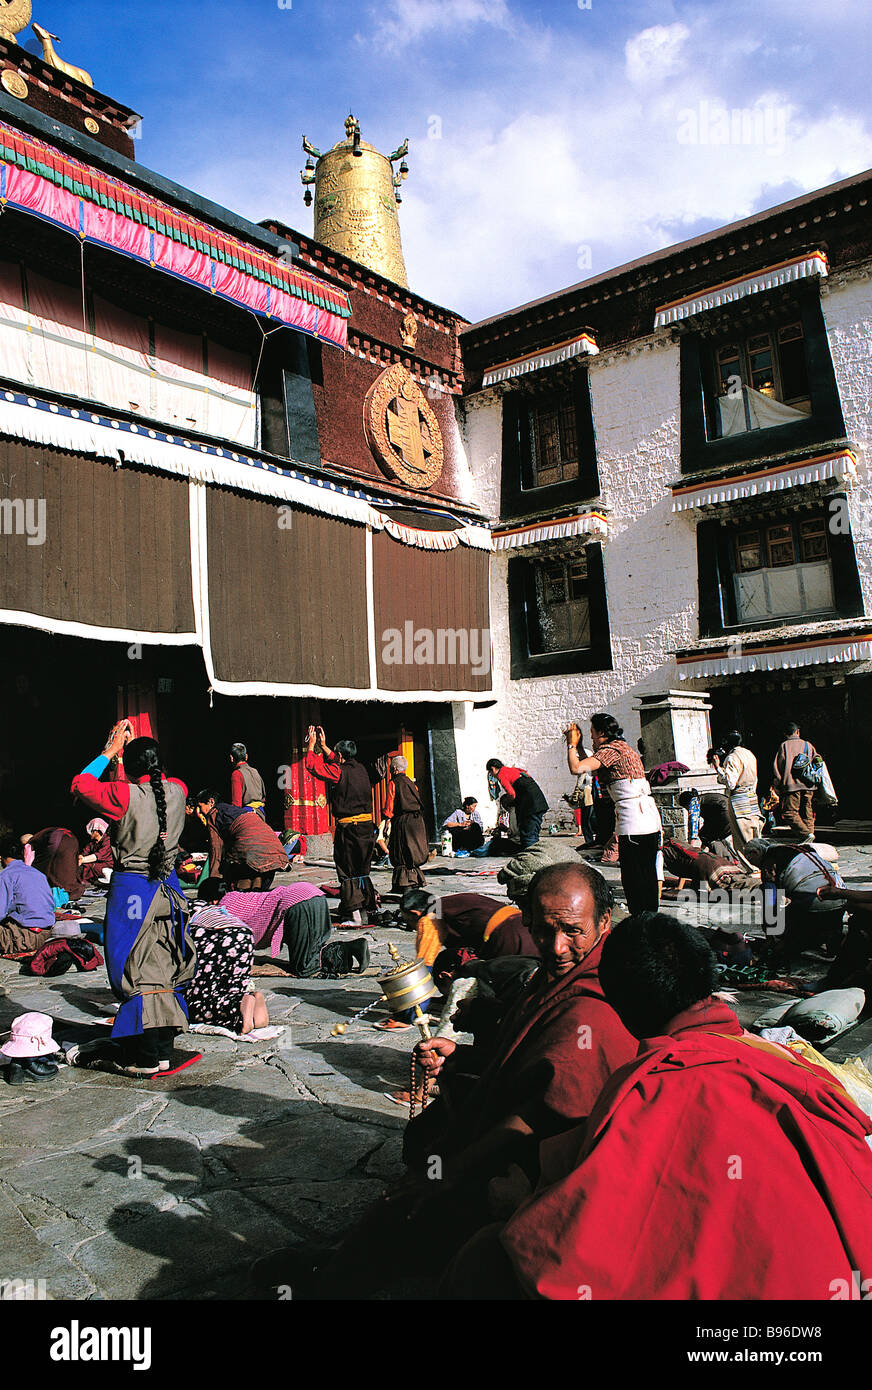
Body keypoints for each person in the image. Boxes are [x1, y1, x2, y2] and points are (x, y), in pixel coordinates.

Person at [249, 862, 637, 1299]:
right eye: (544, 931)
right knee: (425, 1150)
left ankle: (340, 1273)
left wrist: (457, 1169)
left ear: (604, 921)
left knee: (418, 1197)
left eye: (572, 930)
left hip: (543, 1160)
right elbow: (523, 1058)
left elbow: (547, 1110)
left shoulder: (595, 1001)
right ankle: (352, 1254)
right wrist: (460, 1057)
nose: (556, 946)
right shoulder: (554, 974)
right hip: (510, 1122)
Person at [445, 913, 872, 1300]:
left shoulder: (661, 1082)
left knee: (488, 1255)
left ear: (622, 1005)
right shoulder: (783, 1059)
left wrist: (524, 1204)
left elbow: (575, 1243)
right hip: (843, 1275)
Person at [71, 721, 196, 1076]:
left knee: (134, 969)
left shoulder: (123, 795)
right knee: (162, 964)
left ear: (131, 767)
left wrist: (111, 749)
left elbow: (80, 784)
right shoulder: (180, 791)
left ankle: (143, 1055)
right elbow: (158, 786)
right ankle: (162, 1050)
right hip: (168, 888)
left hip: (133, 892)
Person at [565, 714, 662, 914]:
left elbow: (577, 768)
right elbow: (591, 762)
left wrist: (571, 745)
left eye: (592, 733)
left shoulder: (612, 750)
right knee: (647, 873)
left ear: (601, 733)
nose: (591, 738)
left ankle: (642, 920)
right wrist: (580, 744)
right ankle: (649, 918)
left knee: (634, 876)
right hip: (645, 817)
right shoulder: (620, 748)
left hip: (634, 819)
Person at [304, 725, 381, 923]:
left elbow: (314, 767)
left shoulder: (339, 772)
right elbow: (336, 761)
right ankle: (366, 908)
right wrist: (325, 746)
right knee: (362, 869)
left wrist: (312, 747)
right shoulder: (361, 768)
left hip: (350, 829)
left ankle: (355, 914)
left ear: (340, 755)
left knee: (347, 869)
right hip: (366, 828)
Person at [218, 883, 369, 977]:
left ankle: (350, 948)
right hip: (313, 894)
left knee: (303, 968)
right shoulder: (237, 897)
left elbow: (238, 939)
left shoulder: (222, 909)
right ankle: (348, 954)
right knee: (313, 949)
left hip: (298, 903)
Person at [185, 903, 270, 1034]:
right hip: (243, 934)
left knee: (195, 1001)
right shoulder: (199, 905)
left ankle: (237, 1007)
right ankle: (251, 1007)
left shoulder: (173, 908)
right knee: (231, 989)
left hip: (215, 934)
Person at [196, 791, 288, 892]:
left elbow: (216, 848)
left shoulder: (213, 814)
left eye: (201, 807)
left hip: (252, 846)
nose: (200, 812)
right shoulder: (236, 810)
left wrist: (214, 881)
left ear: (211, 802)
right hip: (273, 846)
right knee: (257, 886)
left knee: (242, 882)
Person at [0, 833, 55, 956]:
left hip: (26, 938)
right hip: (45, 934)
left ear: (1, 857)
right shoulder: (37, 873)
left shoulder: (6, 876)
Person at [710, 731, 762, 850]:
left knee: (743, 836)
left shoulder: (732, 758)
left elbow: (730, 783)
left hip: (739, 798)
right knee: (755, 832)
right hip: (751, 795)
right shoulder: (749, 754)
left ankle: (749, 865)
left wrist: (718, 768)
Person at [385, 755, 430, 892]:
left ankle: (405, 884)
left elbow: (390, 805)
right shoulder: (411, 783)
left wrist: (387, 820)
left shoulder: (394, 783)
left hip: (403, 821)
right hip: (417, 821)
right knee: (413, 849)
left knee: (401, 850)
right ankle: (416, 880)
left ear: (394, 769)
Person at [771, 720, 818, 841]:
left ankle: (805, 835)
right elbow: (817, 761)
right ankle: (809, 835)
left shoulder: (784, 746)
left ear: (785, 734)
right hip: (808, 784)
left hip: (791, 785)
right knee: (807, 811)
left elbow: (778, 766)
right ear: (798, 731)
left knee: (789, 812)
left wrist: (778, 783)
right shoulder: (808, 745)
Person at [485, 760, 548, 849]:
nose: (492, 775)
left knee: (528, 836)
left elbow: (512, 794)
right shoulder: (514, 770)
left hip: (530, 806)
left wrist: (508, 801)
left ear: (493, 769)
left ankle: (531, 858)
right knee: (533, 833)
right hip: (539, 802)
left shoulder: (501, 774)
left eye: (491, 773)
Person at [30, 826, 85, 903]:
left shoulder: (31, 842)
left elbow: (29, 861)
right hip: (72, 840)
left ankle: (62, 891)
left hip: (58, 842)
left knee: (53, 866)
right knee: (69, 865)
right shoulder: (44, 834)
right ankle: (72, 889)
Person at [229, 743, 267, 821]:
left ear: (231, 758)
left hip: (248, 817)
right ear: (246, 756)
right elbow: (263, 797)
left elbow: (237, 805)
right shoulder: (255, 771)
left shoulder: (236, 774)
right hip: (261, 814)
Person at [78, 818, 114, 886]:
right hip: (95, 864)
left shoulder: (107, 841)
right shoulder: (92, 842)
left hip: (106, 865)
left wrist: (82, 860)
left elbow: (98, 856)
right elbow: (85, 851)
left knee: (89, 866)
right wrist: (80, 857)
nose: (89, 832)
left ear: (97, 831)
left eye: (92, 831)